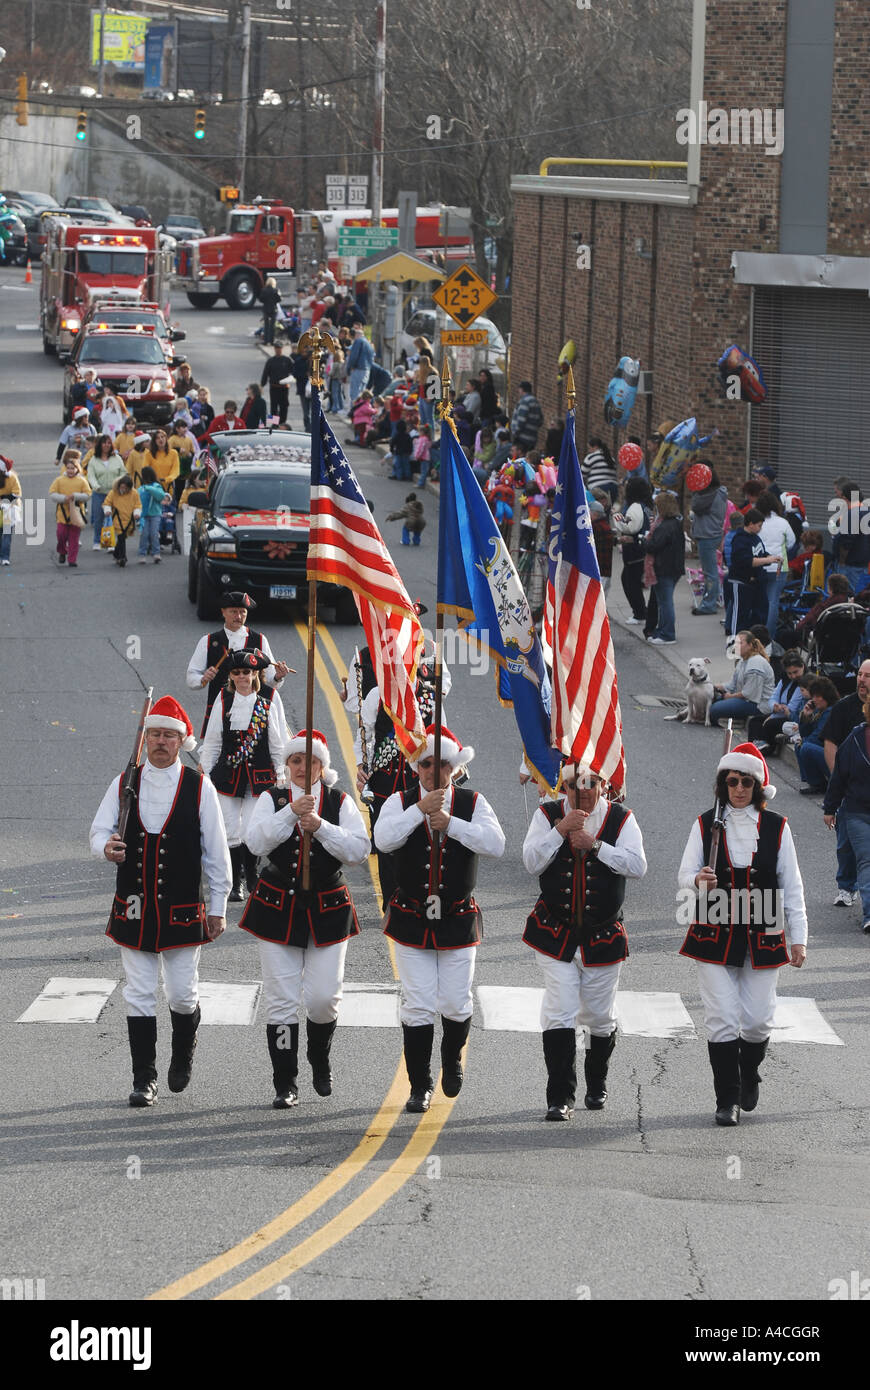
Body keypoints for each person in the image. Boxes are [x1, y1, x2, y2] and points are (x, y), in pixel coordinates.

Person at [89, 696, 231, 1107]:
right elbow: (98, 832)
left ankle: (183, 1053)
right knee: (138, 992)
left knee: (182, 993)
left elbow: (216, 851)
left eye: (169, 735)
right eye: (154, 734)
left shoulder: (198, 785)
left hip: (182, 907)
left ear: (180, 741)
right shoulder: (124, 783)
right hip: (133, 905)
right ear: (145, 738)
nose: (160, 742)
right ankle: (143, 1077)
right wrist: (107, 848)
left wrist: (218, 907)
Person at [374, 725, 506, 1112]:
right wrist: (420, 811)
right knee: (416, 1003)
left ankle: (451, 1059)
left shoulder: (473, 802)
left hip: (456, 917)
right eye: (427, 764)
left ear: (454, 767)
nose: (434, 772)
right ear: (416, 768)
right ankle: (419, 1084)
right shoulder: (399, 801)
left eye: (442, 764)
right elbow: (383, 840)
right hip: (412, 916)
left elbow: (496, 844)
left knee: (455, 1000)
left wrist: (451, 823)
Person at [678, 742, 807, 1125]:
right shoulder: (704, 824)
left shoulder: (777, 827)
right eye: (731, 781)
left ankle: (749, 1072)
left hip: (764, 926)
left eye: (745, 782)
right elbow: (685, 874)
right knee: (721, 1016)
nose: (738, 789)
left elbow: (793, 885)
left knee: (757, 1020)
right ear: (723, 784)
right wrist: (696, 880)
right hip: (713, 926)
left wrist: (798, 937)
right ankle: (727, 1099)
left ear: (757, 786)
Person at [241, 730, 369, 1107]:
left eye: (310, 762)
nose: (302, 768)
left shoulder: (339, 801)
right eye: (296, 761)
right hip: (277, 906)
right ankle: (285, 1081)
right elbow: (255, 843)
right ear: (287, 765)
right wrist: (290, 814)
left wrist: (321, 827)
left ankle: (320, 1056)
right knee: (280, 1000)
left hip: (328, 907)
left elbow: (359, 850)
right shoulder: (272, 799)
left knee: (323, 998)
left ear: (322, 766)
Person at [522, 765, 647, 1121]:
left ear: (603, 784)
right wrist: (560, 831)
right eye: (575, 784)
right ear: (564, 786)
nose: (584, 790)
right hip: (554, 931)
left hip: (602, 935)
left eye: (591, 783)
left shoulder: (621, 819)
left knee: (597, 1016)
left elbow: (638, 865)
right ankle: (559, 1096)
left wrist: (596, 846)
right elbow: (531, 861)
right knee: (559, 1011)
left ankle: (597, 1079)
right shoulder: (547, 815)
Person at [199, 649, 289, 902]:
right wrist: (206, 773)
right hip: (228, 774)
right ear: (231, 675)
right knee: (228, 827)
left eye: (247, 672)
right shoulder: (224, 699)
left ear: (255, 674)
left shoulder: (269, 697)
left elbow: (278, 739)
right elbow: (214, 740)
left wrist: (281, 773)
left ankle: (252, 874)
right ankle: (235, 879)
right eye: (237, 673)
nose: (242, 677)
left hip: (260, 775)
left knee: (253, 826)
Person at [186, 590, 291, 737]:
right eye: (233, 612)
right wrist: (203, 678)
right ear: (223, 612)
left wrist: (278, 677)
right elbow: (191, 678)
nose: (239, 616)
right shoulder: (209, 641)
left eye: (243, 612)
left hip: (255, 712)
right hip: (221, 710)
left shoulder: (260, 640)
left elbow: (271, 682)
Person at [822, 661, 870, 909]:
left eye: (868, 676)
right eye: (860, 674)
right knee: (845, 845)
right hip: (850, 793)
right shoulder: (844, 707)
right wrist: (837, 782)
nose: (861, 680)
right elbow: (831, 744)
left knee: (865, 855)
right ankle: (846, 887)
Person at [725, 508, 781, 634]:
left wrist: (770, 557)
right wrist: (767, 560)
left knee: (760, 613)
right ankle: (735, 643)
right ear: (750, 524)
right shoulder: (740, 539)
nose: (761, 528)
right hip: (741, 582)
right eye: (759, 525)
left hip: (757, 583)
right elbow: (747, 561)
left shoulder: (755, 538)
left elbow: (760, 553)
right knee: (740, 615)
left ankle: (754, 642)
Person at [642, 491, 685, 644]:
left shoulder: (665, 526)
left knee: (665, 603)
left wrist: (644, 541)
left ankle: (667, 634)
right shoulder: (675, 523)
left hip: (664, 568)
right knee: (664, 602)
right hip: (673, 568)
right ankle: (663, 630)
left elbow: (653, 546)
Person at [709, 630, 775, 726]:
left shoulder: (755, 663)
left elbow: (749, 694)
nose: (735, 645)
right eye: (735, 642)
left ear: (750, 645)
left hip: (757, 705)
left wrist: (729, 697)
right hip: (745, 699)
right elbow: (732, 685)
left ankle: (736, 720)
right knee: (709, 700)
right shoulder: (743, 660)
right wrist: (714, 687)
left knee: (714, 709)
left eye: (740, 643)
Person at [746, 650, 807, 753]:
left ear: (803, 666)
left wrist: (773, 715)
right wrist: (774, 706)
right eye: (789, 673)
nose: (793, 676)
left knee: (771, 724)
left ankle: (767, 747)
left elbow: (792, 707)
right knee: (755, 721)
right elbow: (774, 697)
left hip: (792, 717)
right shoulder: (785, 680)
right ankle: (755, 746)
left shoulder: (804, 683)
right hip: (780, 713)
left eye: (795, 672)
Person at [612, 476, 654, 624]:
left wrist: (616, 517)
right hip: (642, 548)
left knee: (631, 582)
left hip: (635, 550)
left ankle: (639, 613)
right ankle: (641, 611)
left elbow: (630, 527)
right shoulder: (646, 506)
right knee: (630, 580)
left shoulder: (635, 507)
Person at [688, 463, 728, 615]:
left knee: (710, 573)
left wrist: (696, 491)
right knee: (710, 572)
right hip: (714, 534)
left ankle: (709, 604)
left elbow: (696, 505)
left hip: (707, 536)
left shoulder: (705, 497)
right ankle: (709, 601)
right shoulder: (720, 492)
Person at [793, 676, 840, 793]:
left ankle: (820, 784)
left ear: (827, 696)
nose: (814, 700)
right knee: (801, 746)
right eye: (813, 696)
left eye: (818, 696)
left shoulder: (831, 711)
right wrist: (806, 716)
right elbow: (805, 733)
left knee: (806, 747)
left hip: (836, 757)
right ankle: (815, 783)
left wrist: (804, 742)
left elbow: (818, 737)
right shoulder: (821, 711)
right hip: (825, 750)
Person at [755, 492, 794, 631]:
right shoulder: (783, 523)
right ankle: (769, 636)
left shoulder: (756, 522)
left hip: (760, 565)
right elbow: (791, 542)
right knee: (773, 601)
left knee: (758, 600)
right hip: (779, 567)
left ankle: (756, 632)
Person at [49, 449, 91, 567]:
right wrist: (63, 498)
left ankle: (72, 560)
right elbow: (52, 493)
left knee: (74, 538)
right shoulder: (59, 480)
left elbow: (88, 495)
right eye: (68, 468)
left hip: (76, 512)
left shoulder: (82, 481)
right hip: (62, 512)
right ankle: (62, 551)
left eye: (73, 468)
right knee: (61, 534)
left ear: (77, 469)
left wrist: (75, 496)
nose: (70, 470)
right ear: (65, 469)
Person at [829, 476, 870, 595]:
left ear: (845, 498)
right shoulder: (866, 511)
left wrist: (841, 561)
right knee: (859, 596)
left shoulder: (853, 514)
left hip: (849, 564)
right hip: (862, 562)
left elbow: (845, 542)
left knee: (845, 596)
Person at [85, 433, 125, 551]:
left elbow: (123, 472)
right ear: (100, 445)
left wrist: (120, 484)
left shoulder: (116, 458)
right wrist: (95, 486)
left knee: (112, 518)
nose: (106, 445)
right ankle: (97, 541)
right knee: (99, 517)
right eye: (104, 443)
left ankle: (110, 542)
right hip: (99, 493)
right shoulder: (94, 459)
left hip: (114, 493)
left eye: (108, 443)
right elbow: (91, 475)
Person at [102, 474, 141, 567]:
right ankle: (122, 557)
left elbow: (137, 505)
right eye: (122, 487)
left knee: (122, 538)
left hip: (129, 520)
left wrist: (137, 513)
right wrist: (107, 510)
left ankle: (116, 554)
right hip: (117, 519)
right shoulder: (113, 492)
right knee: (121, 537)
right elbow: (107, 502)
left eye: (125, 488)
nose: (123, 489)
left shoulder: (134, 493)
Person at [136, 465, 171, 564]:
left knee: (154, 533)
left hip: (155, 514)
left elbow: (161, 496)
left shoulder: (156, 486)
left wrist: (149, 488)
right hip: (144, 515)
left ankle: (156, 553)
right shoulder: (141, 488)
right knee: (144, 534)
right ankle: (142, 554)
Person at [260, 344, 294, 426]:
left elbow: (293, 371)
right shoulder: (271, 360)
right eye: (276, 348)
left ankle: (282, 423)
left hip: (284, 388)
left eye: (279, 348)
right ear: (274, 349)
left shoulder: (287, 360)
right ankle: (274, 424)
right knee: (273, 407)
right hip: (274, 387)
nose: (278, 350)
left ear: (282, 348)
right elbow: (265, 373)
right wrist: (262, 385)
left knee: (284, 406)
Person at [0, 454, 23, 566]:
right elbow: (16, 494)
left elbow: (16, 494)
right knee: (4, 534)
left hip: (8, 508)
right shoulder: (10, 476)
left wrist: (2, 498)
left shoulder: (12, 477)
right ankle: (3, 557)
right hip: (6, 509)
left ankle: (3, 556)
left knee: (4, 533)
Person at [581, 436, 618, 503]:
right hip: (613, 488)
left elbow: (582, 474)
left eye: (589, 448)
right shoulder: (611, 459)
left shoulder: (590, 457)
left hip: (599, 489)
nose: (589, 451)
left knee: (598, 510)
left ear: (595, 447)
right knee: (608, 510)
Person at [346, 324, 375, 407]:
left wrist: (349, 368)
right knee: (362, 392)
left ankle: (354, 410)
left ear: (356, 335)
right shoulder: (369, 344)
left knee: (355, 392)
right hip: (367, 370)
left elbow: (353, 356)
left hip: (358, 369)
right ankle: (361, 409)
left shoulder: (358, 341)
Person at [510, 381, 543, 451]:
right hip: (532, 438)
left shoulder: (525, 401)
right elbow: (540, 420)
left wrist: (515, 433)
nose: (518, 391)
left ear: (522, 389)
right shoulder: (535, 401)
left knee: (519, 460)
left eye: (519, 389)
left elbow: (521, 420)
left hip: (522, 438)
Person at [290, 346, 312, 432]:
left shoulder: (315, 362)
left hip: (314, 390)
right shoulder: (299, 361)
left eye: (306, 352)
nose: (305, 354)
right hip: (303, 389)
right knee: (306, 411)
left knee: (314, 411)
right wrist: (305, 375)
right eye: (303, 352)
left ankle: (313, 427)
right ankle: (308, 428)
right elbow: (295, 374)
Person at [260, 276, 281, 346]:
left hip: (266, 309)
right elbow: (279, 299)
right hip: (273, 309)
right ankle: (271, 341)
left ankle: (266, 341)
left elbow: (261, 299)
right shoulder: (276, 290)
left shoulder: (264, 290)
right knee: (272, 326)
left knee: (266, 325)